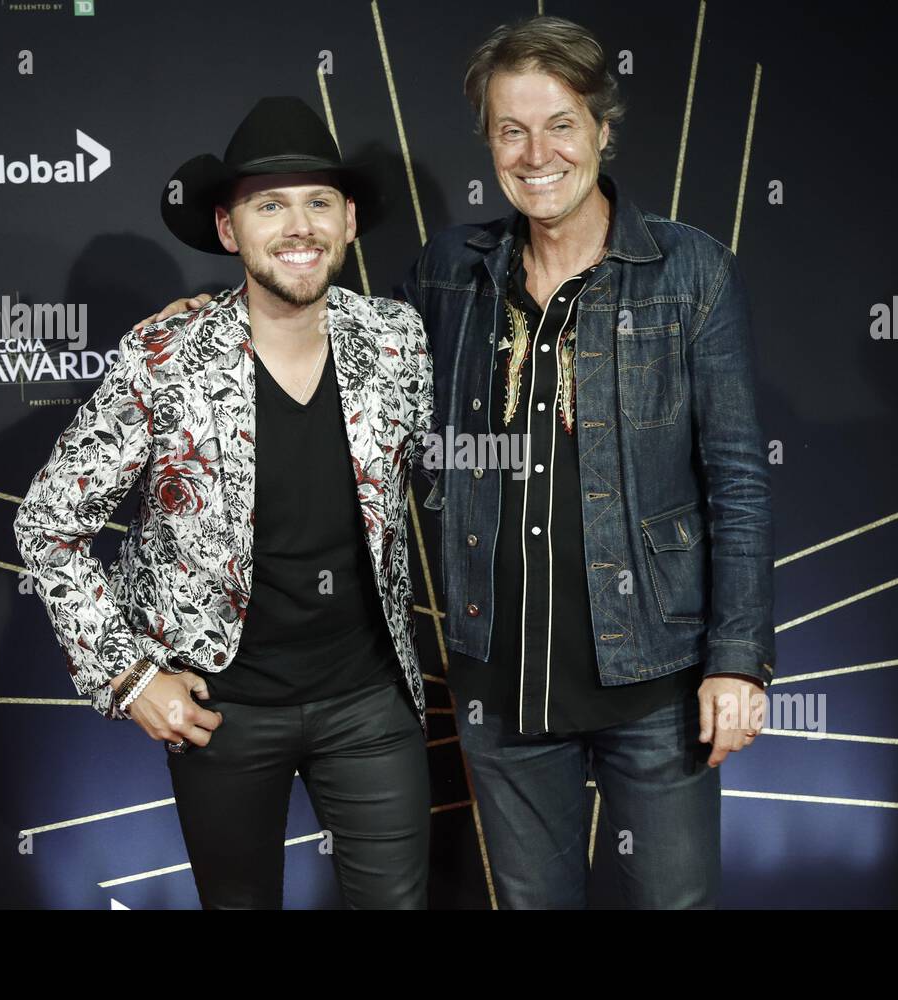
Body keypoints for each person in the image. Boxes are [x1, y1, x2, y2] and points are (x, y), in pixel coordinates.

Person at [141, 15, 774, 910]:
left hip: (657, 681)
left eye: (560, 123)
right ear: (488, 142)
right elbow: (327, 337)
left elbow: (739, 481)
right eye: (511, 130)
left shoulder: (691, 272)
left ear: (602, 127)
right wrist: (211, 324)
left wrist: (737, 660)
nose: (537, 151)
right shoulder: (447, 275)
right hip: (501, 687)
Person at [15, 96, 433, 909]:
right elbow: (47, 524)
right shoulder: (163, 356)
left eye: (318, 201)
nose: (298, 225)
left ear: (350, 221)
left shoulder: (397, 340)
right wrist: (132, 678)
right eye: (269, 204)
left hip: (371, 702)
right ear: (227, 227)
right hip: (222, 709)